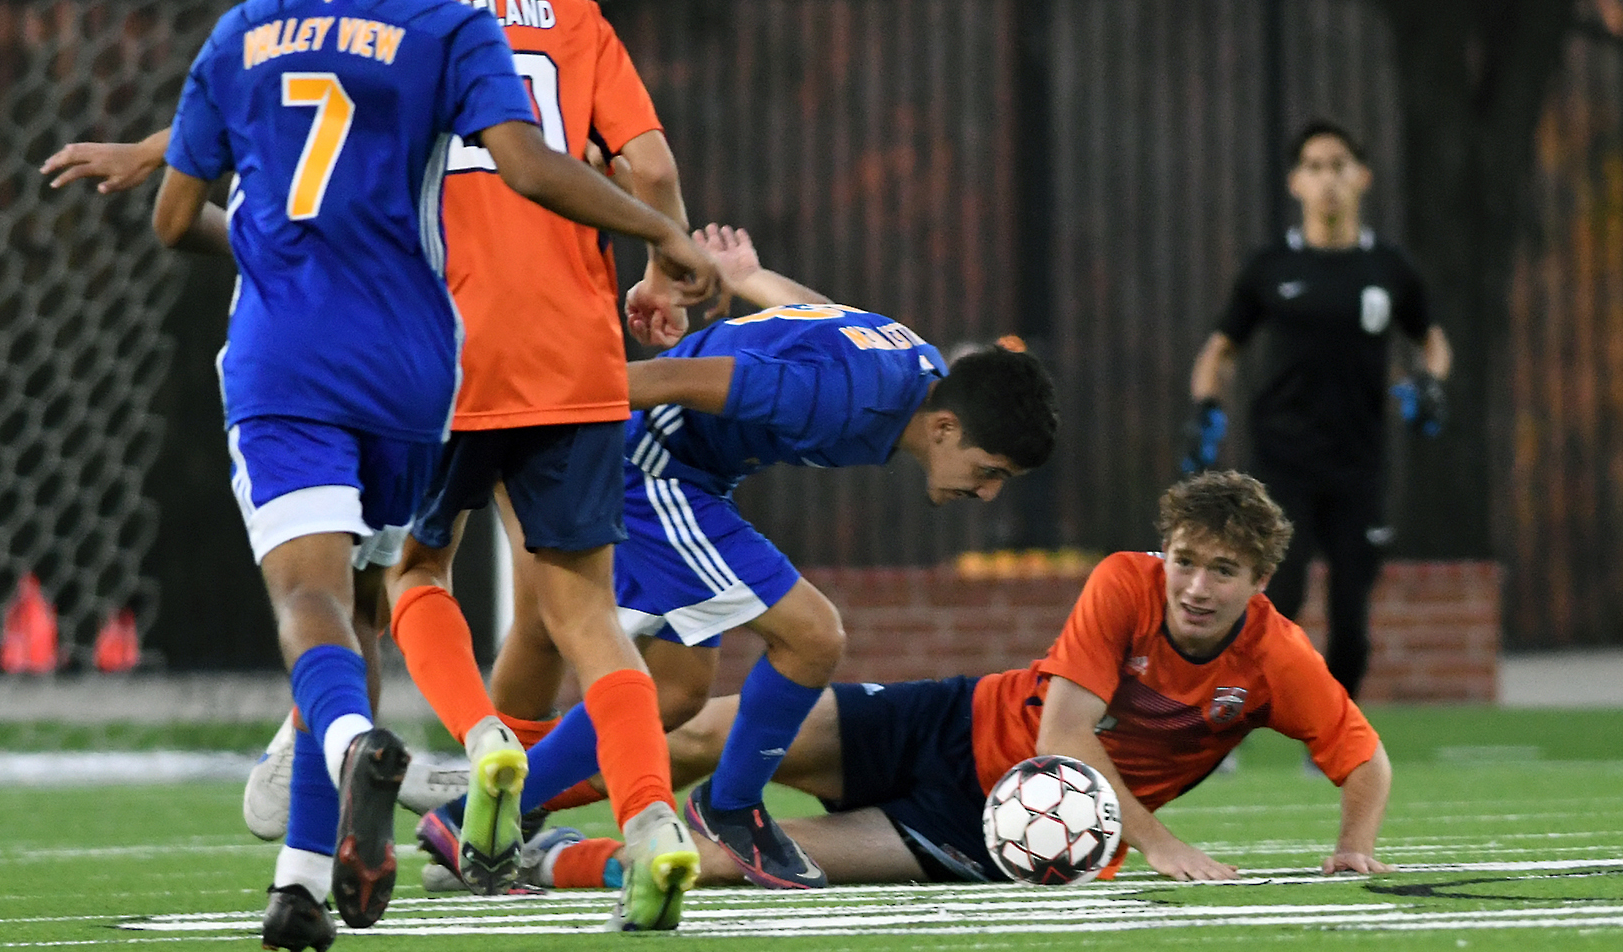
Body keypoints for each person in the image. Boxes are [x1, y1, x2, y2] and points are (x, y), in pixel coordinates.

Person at [149, 0, 718, 946]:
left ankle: (430, 742)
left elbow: (192, 200)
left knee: (347, 599)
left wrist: (215, 203)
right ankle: (645, 818)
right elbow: (575, 164)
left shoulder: (244, 30)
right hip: (456, 356)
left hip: (353, 351)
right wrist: (667, 241)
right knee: (578, 611)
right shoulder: (463, 26)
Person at [417, 224, 1061, 891]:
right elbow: (679, 377)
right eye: (991, 472)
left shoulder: (924, 368)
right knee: (813, 636)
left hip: (682, 472)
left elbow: (821, 315)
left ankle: (469, 817)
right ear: (947, 427)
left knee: (674, 694)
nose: (985, 493)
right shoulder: (838, 396)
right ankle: (730, 809)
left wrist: (749, 279)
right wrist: (544, 404)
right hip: (650, 468)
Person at [505, 471, 1396, 890]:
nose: (1197, 588)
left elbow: (1364, 759)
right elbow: (1063, 739)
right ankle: (503, 799)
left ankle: (541, 864)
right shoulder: (1125, 583)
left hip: (988, 829)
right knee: (701, 733)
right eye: (1187, 562)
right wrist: (1163, 845)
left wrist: (1355, 843)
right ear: (1165, 555)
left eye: (1225, 572)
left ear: (1260, 584)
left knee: (723, 865)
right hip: (950, 717)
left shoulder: (1278, 658)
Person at [1186, 119, 1452, 700]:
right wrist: (1204, 406)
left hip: (1360, 462)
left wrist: (1431, 384)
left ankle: (1331, 729)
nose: (1327, 179)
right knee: (1277, 599)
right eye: (1314, 167)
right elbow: (1220, 348)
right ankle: (1224, 716)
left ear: (1361, 178)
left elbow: (1432, 339)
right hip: (1283, 459)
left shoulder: (1388, 267)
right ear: (1295, 182)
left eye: (1338, 166)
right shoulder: (1271, 267)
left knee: (1353, 614)